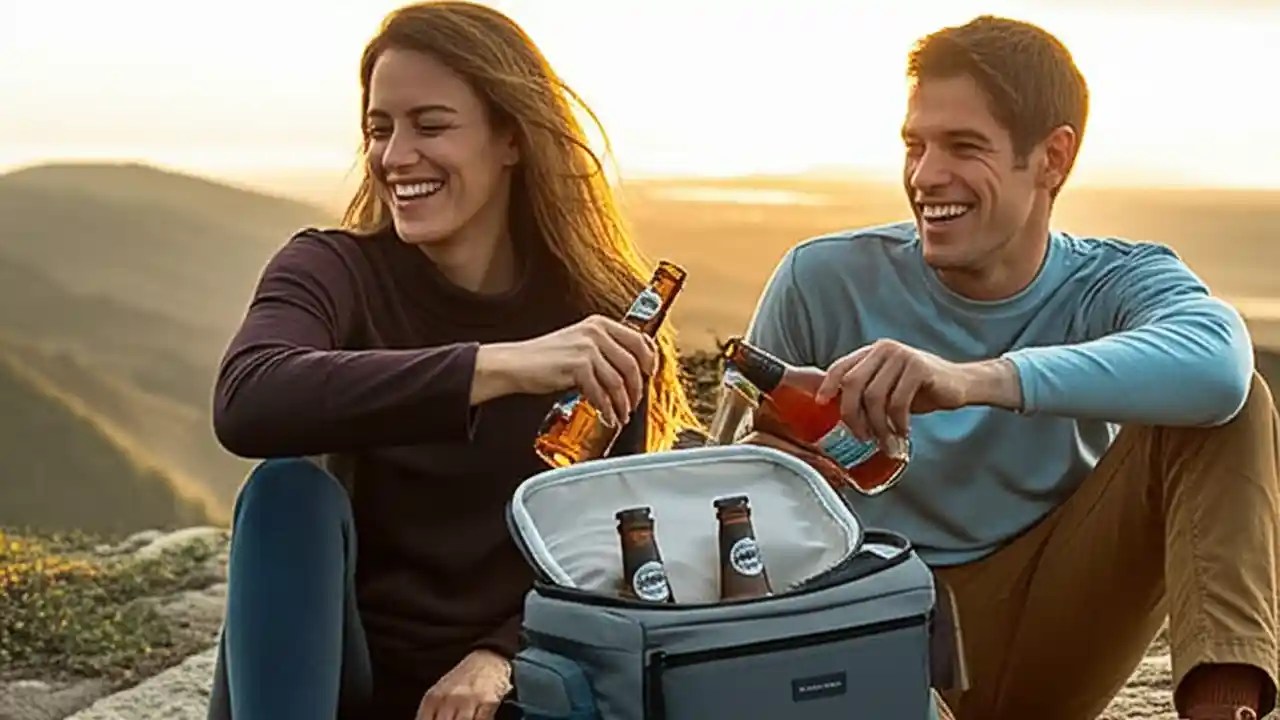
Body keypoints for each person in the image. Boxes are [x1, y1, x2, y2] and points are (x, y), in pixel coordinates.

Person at [739, 15, 1279, 720]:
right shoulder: (821, 280)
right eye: (915, 145)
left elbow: (1219, 366)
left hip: (1050, 622)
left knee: (1231, 408)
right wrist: (764, 463)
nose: (926, 176)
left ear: (1052, 158)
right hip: (872, 627)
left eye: (964, 147)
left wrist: (975, 380)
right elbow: (721, 497)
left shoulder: (1111, 281)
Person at [204, 3, 700, 719]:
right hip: (336, 682)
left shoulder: (600, 315)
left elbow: (611, 539)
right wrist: (499, 368)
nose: (394, 156)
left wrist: (501, 654)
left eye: (430, 126)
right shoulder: (332, 269)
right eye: (380, 129)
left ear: (511, 137)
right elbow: (248, 399)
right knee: (287, 494)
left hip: (508, 691)